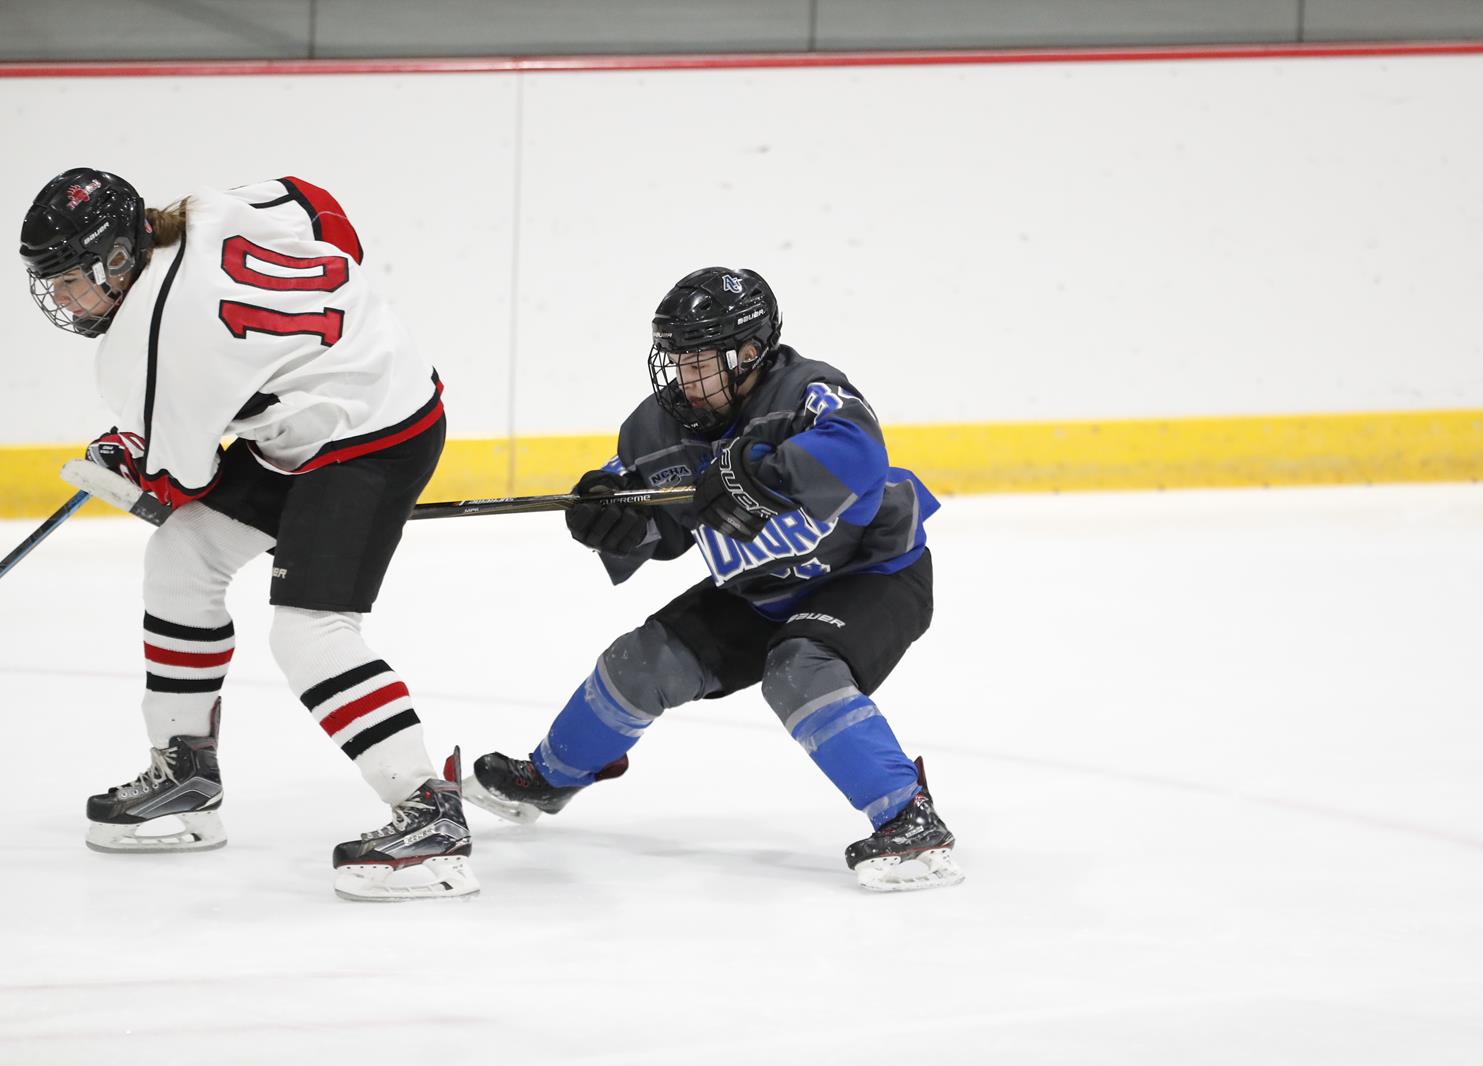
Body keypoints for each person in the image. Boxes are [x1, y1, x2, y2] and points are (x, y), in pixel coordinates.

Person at [18, 167, 475, 901]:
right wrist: (341, 314)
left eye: (72, 279)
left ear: (116, 259)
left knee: (310, 631)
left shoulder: (141, 346)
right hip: (324, 406)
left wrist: (129, 457)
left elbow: (180, 484)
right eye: (52, 283)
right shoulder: (205, 208)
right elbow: (311, 199)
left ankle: (430, 813)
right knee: (183, 556)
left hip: (369, 433)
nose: (64, 301)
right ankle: (186, 773)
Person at [464, 267, 962, 892]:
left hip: (872, 574)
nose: (684, 376)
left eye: (701, 360)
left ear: (751, 353)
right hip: (761, 588)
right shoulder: (654, 427)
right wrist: (613, 515)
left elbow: (861, 454)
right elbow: (657, 521)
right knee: (640, 663)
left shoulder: (808, 391)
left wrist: (764, 473)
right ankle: (551, 776)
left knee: (800, 669)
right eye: (676, 359)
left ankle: (908, 818)